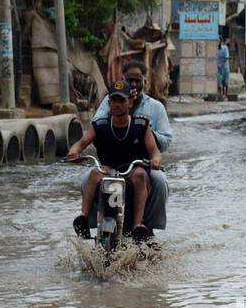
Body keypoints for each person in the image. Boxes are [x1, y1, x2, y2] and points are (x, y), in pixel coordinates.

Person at [67, 79, 162, 242]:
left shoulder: (141, 124)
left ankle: (138, 226)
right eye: (114, 100)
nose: (117, 104)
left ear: (130, 103)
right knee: (94, 174)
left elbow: (155, 152)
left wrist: (155, 160)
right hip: (108, 169)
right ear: (109, 102)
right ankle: (83, 217)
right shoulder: (99, 124)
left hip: (133, 170)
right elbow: (81, 143)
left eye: (121, 100)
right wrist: (74, 151)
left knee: (140, 175)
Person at [85, 60, 171, 230]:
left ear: (144, 81)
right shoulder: (109, 102)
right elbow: (96, 126)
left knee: (160, 181)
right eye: (129, 80)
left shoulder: (156, 108)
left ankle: (147, 226)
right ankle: (88, 222)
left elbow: (166, 140)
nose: (133, 84)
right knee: (85, 178)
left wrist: (148, 133)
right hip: (112, 161)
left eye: (137, 81)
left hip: (141, 163)